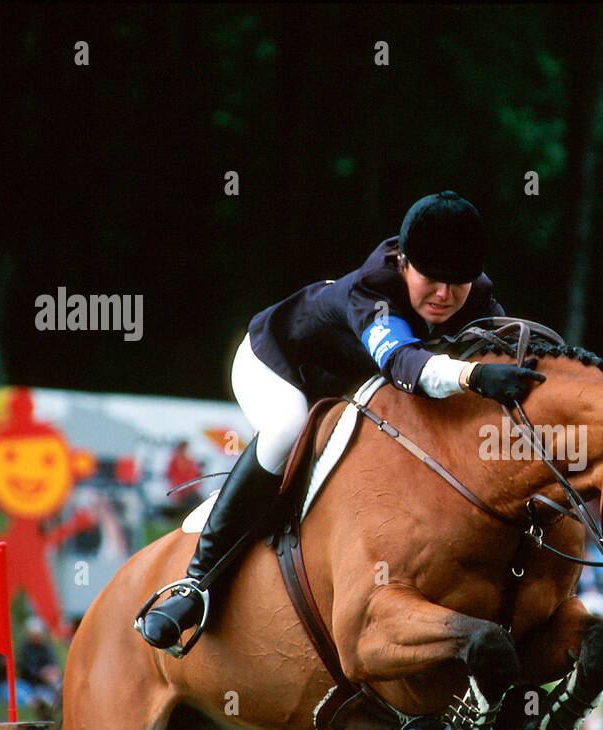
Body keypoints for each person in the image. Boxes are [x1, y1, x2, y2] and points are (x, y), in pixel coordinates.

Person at [137, 191, 545, 652]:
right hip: (278, 363)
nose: (445, 295)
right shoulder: (373, 287)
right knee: (287, 428)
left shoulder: (478, 297)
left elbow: (517, 358)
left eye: (460, 281)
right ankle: (196, 585)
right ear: (405, 262)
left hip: (349, 391)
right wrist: (474, 375)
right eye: (431, 278)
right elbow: (404, 366)